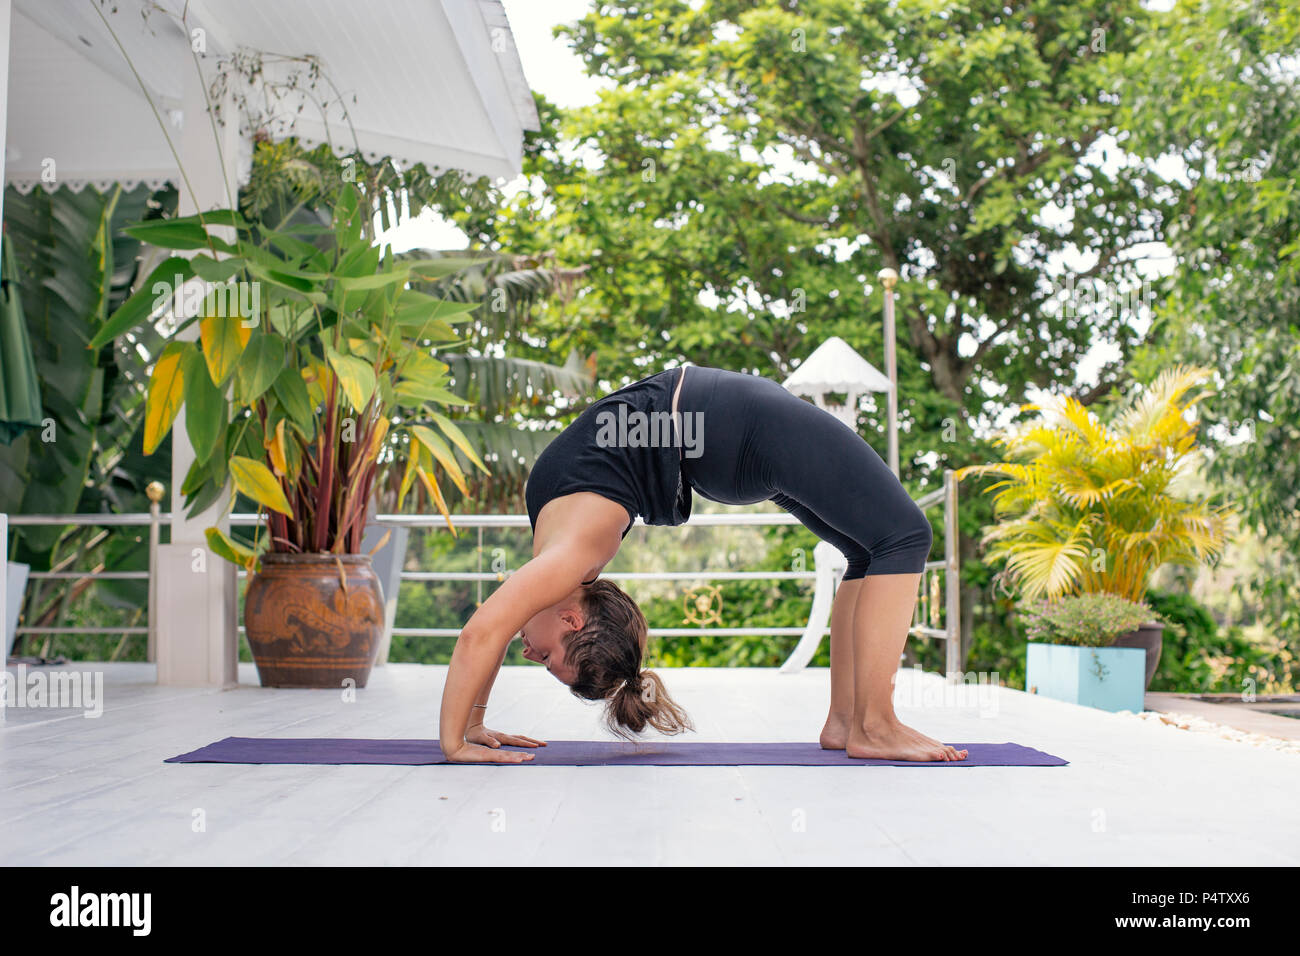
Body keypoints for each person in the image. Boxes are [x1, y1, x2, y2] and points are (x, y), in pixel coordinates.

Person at [438, 364, 968, 763]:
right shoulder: (565, 561)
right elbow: (493, 631)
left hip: (734, 431)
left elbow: (483, 633)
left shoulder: (564, 558)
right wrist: (468, 730)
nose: (527, 650)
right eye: (543, 656)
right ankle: (868, 724)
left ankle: (854, 722)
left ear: (572, 620)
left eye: (543, 656)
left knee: (878, 546)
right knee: (904, 536)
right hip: (738, 431)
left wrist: (458, 738)